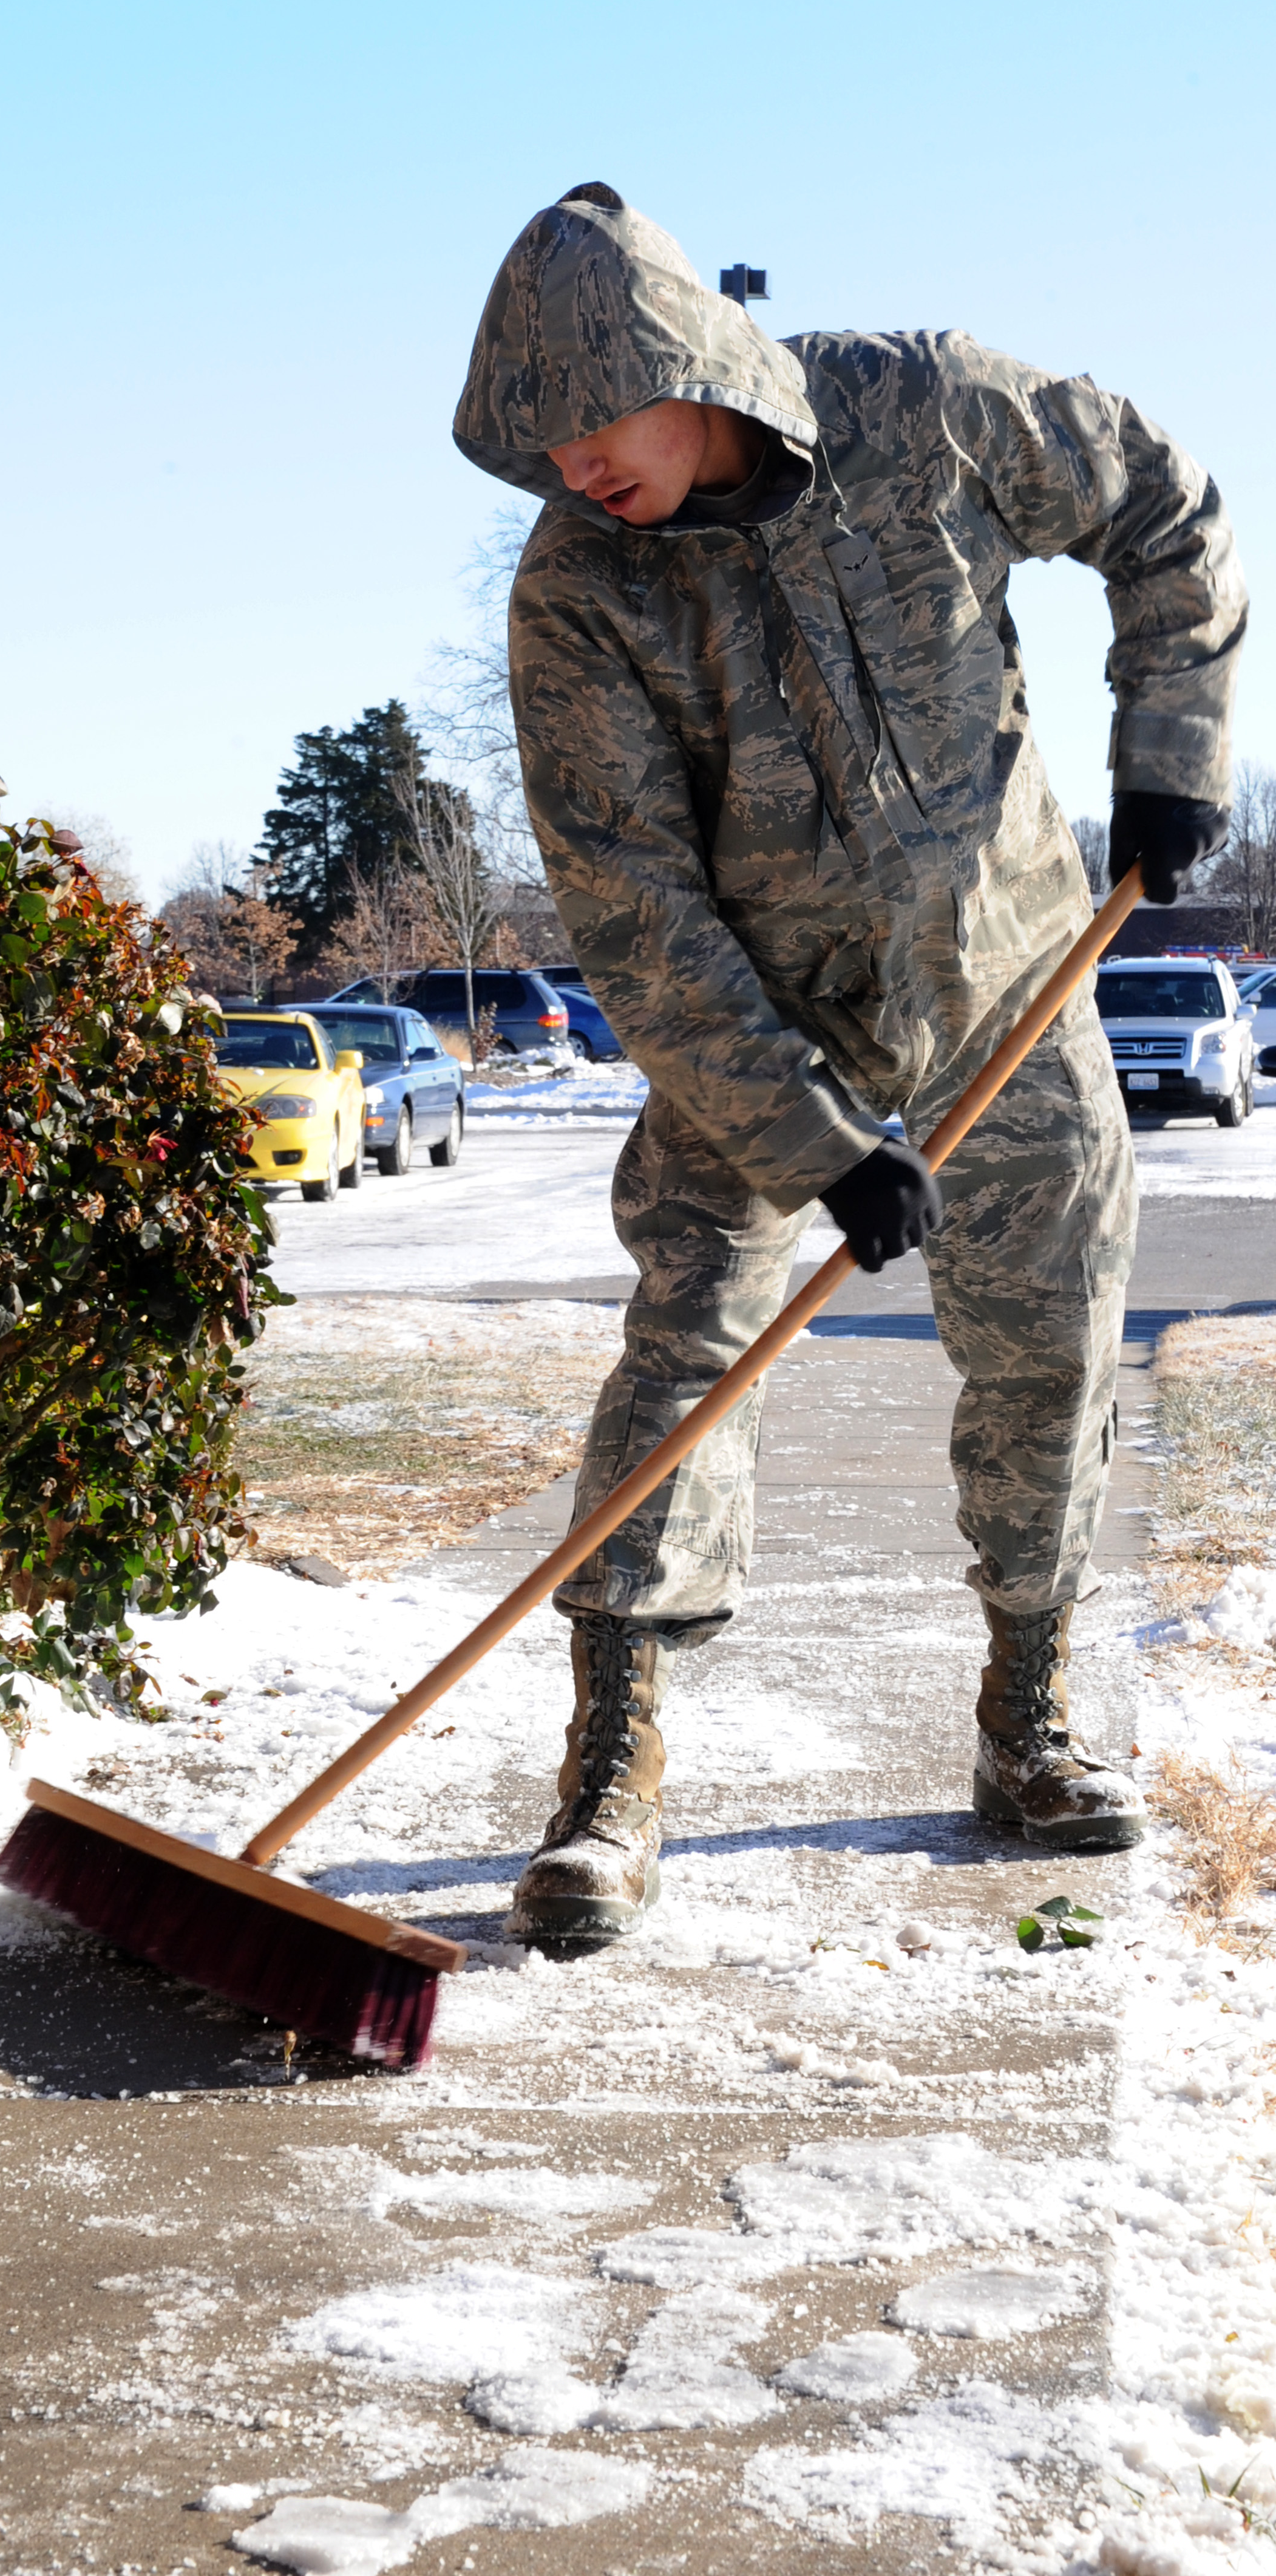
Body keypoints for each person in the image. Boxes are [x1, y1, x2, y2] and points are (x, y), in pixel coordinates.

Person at [452, 183, 1244, 1943]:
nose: (573, 463)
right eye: (539, 437)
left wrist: (1172, 745)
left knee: (1053, 1339)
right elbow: (632, 904)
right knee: (684, 1358)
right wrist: (813, 1143)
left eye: (597, 414)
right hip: (756, 1022)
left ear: (687, 361)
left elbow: (1164, 510)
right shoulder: (579, 591)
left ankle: (1027, 1717)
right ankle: (613, 1769)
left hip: (1007, 975)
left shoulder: (928, 409)